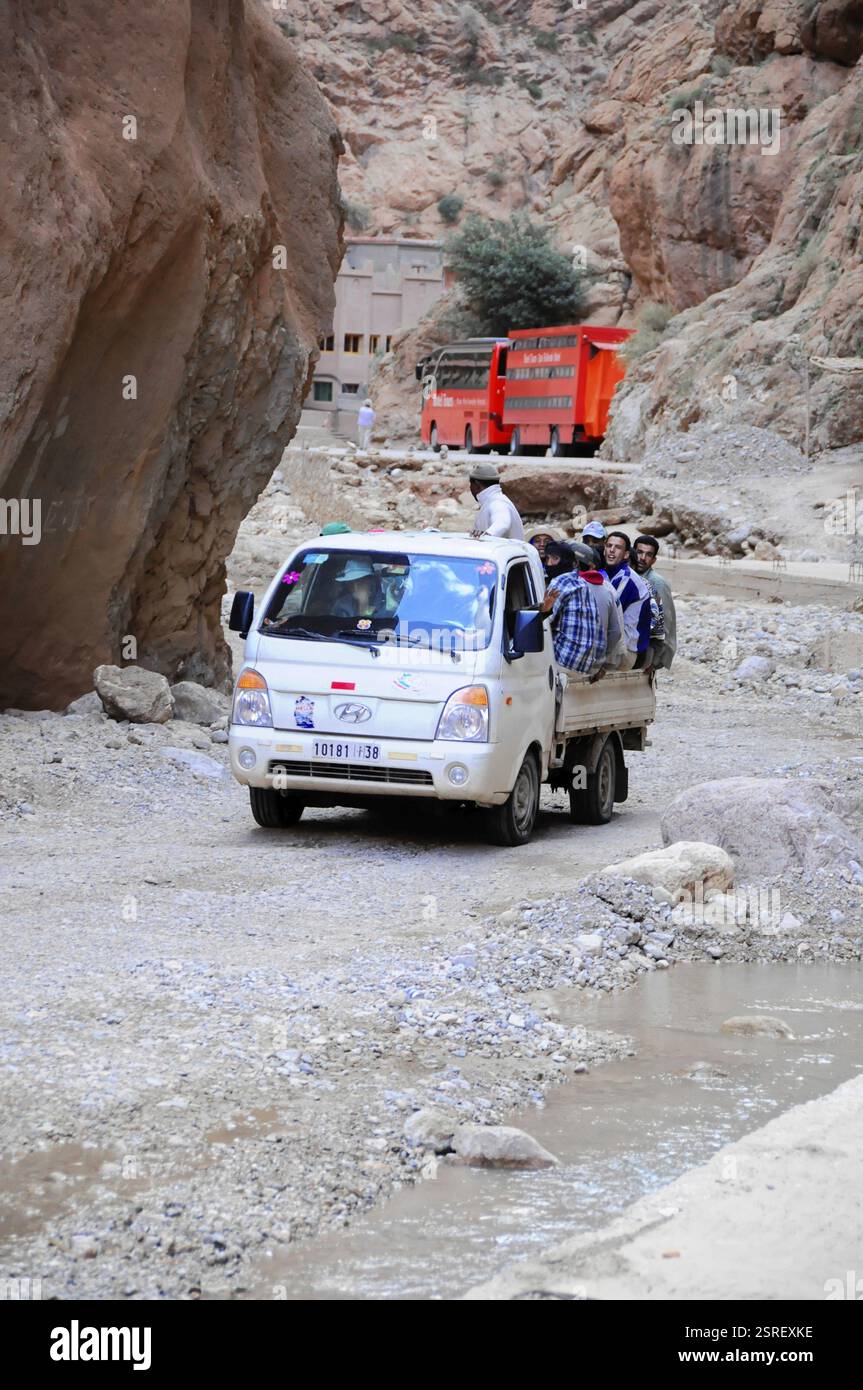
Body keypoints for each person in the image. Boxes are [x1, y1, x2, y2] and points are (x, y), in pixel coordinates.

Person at [569, 541, 624, 677]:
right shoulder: (607, 587)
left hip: (568, 664)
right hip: (596, 664)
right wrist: (602, 659)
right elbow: (616, 632)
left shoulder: (565, 585)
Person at [603, 530, 652, 670]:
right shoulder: (606, 574)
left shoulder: (627, 578)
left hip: (625, 651)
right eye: (609, 546)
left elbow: (607, 615)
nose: (612, 550)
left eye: (617, 547)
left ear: (626, 555)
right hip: (616, 644)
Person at [539, 563, 598, 675]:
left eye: (555, 559)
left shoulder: (561, 582)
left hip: (563, 661)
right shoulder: (587, 586)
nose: (550, 563)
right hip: (585, 664)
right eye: (548, 559)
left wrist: (544, 610)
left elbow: (543, 623)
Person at [633, 534, 677, 672]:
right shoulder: (629, 576)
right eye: (639, 552)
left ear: (654, 560)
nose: (642, 558)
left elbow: (665, 622)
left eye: (648, 555)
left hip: (649, 652)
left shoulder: (656, 583)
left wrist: (656, 660)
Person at [469, 461, 524, 540]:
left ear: (476, 485)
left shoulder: (498, 503)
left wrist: (486, 536)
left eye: (470, 485)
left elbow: (502, 523)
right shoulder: (491, 501)